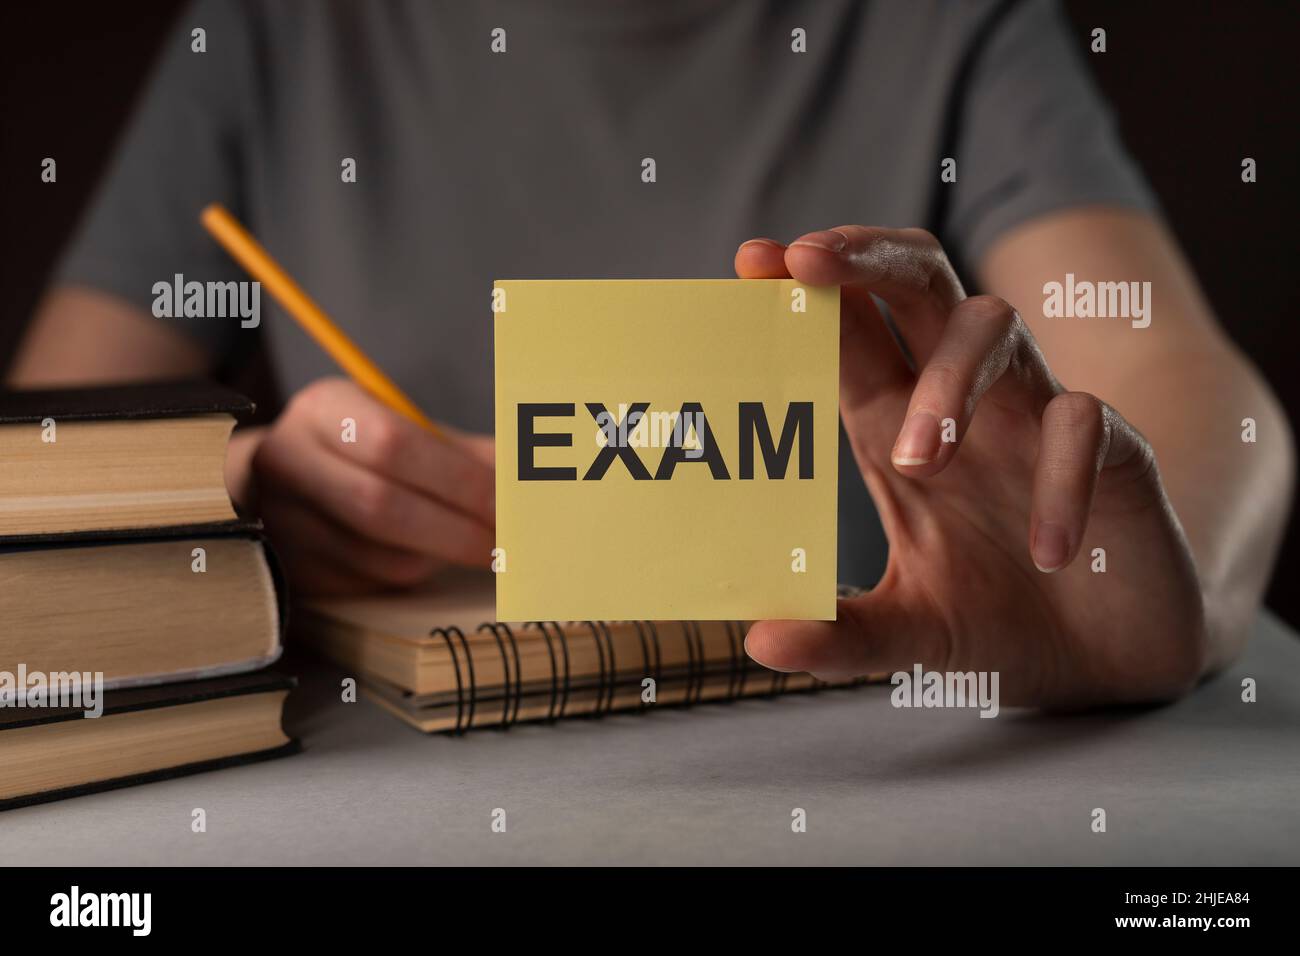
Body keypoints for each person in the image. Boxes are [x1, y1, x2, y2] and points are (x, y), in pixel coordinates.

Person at [9, 0, 1293, 708]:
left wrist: (1156, 601)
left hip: (843, 741)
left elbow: (1181, 376)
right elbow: (50, 449)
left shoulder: (948, 25)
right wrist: (249, 496)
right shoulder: (265, 29)